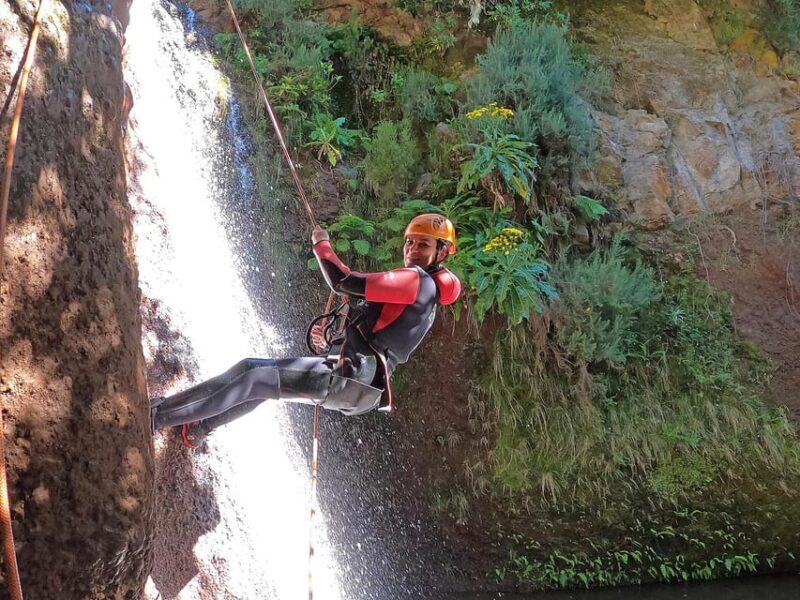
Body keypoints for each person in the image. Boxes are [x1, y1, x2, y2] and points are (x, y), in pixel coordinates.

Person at [150, 213, 461, 437]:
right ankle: (199, 426)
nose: (412, 249)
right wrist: (335, 342)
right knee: (254, 371)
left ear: (442, 252)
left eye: (423, 244)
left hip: (351, 377)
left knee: (257, 379)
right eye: (409, 242)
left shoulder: (417, 281)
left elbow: (343, 282)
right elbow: (376, 337)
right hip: (359, 383)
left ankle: (157, 416)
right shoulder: (427, 296)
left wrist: (322, 245)